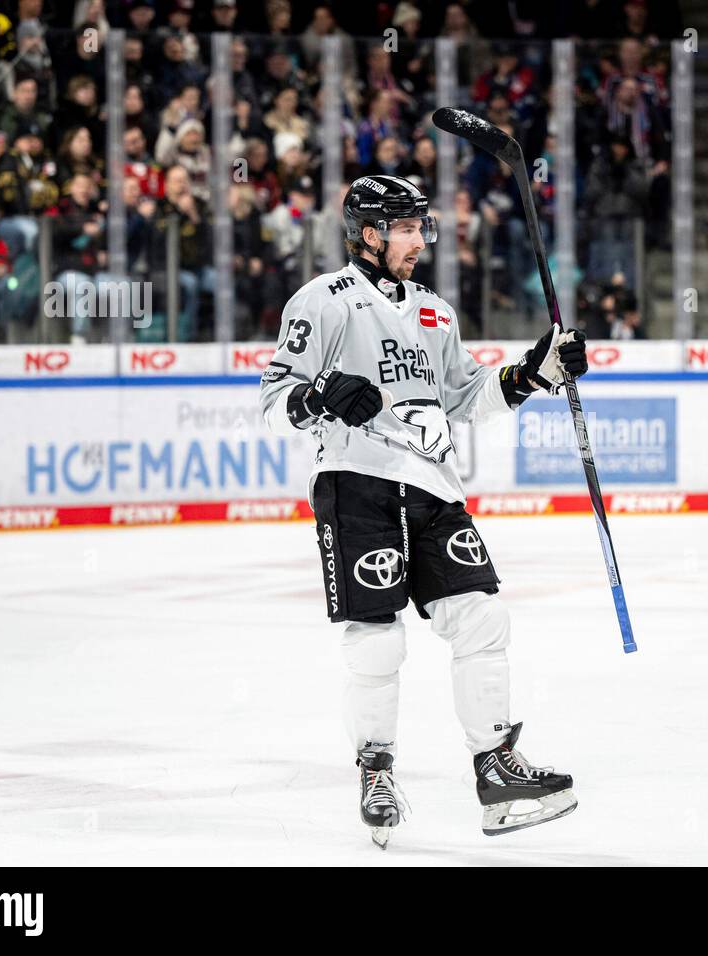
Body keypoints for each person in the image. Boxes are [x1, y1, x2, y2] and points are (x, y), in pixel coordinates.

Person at [258, 174, 588, 847]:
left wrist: (532, 373)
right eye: (405, 227)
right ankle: (376, 769)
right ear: (368, 233)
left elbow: (465, 395)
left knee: (482, 616)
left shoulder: (436, 310)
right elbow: (274, 401)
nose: (418, 239)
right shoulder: (322, 302)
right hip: (356, 483)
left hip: (435, 487)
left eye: (420, 226)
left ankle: (496, 769)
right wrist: (319, 395)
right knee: (378, 639)